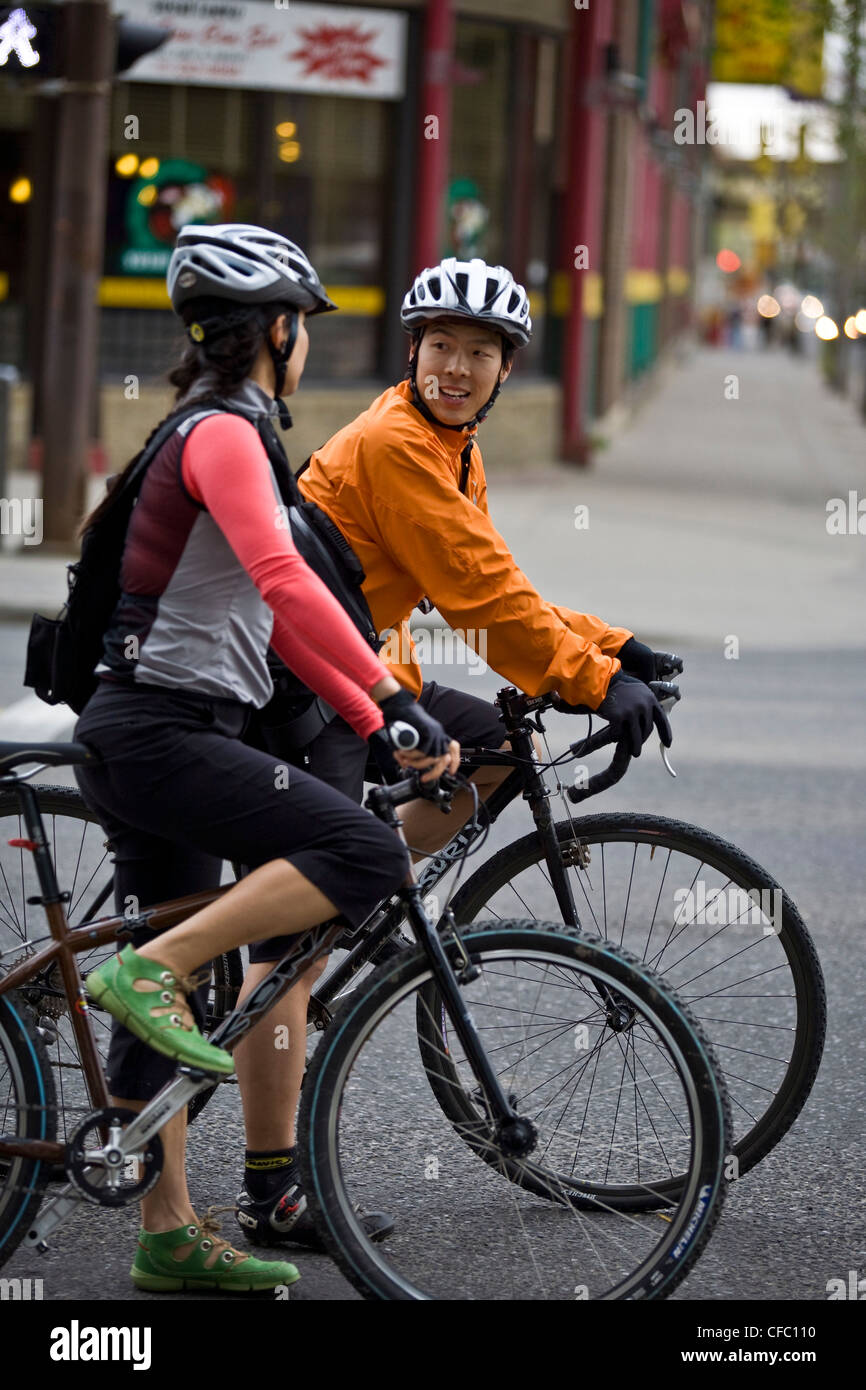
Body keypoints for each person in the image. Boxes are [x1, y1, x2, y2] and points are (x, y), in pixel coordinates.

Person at [231, 256, 671, 1249]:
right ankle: (270, 1187)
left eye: (477, 352)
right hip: (300, 682)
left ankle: (361, 886)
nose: (455, 367)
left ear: (505, 367)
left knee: (493, 750)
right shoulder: (395, 443)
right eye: (440, 347)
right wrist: (594, 682)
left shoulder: (446, 443)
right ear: (413, 352)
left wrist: (612, 643)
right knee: (289, 953)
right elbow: (479, 604)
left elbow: (488, 578)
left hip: (361, 659)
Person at [77, 223, 458, 1294]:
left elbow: (283, 624)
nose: (305, 347)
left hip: (156, 733)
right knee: (363, 853)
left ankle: (165, 1231)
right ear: (276, 330)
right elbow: (288, 582)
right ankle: (150, 969)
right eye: (303, 328)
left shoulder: (219, 427)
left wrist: (378, 716)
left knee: (178, 965)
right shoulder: (225, 434)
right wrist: (387, 693)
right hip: (161, 735)